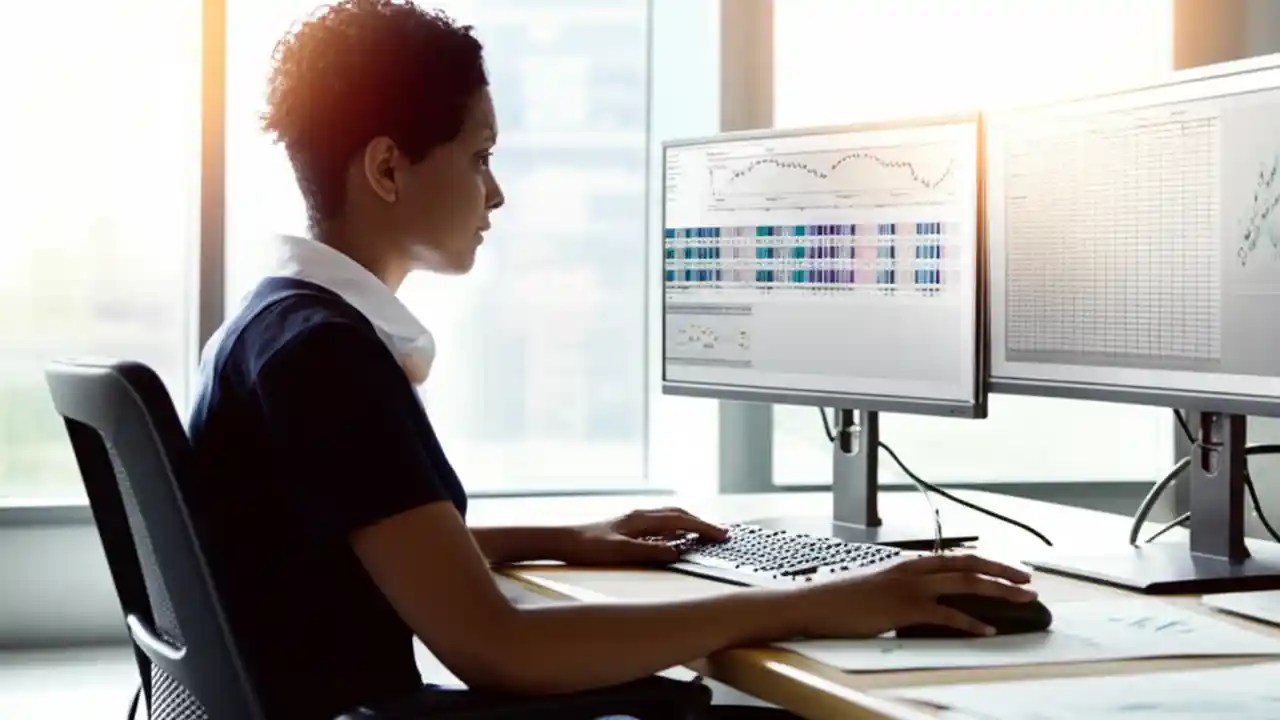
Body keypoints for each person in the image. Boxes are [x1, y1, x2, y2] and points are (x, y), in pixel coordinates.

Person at [187, 1, 1037, 718]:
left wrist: (568, 539)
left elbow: (351, 542)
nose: (496, 192)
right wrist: (822, 604)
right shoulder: (328, 360)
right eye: (480, 156)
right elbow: (498, 647)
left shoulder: (271, 329)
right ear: (385, 166)